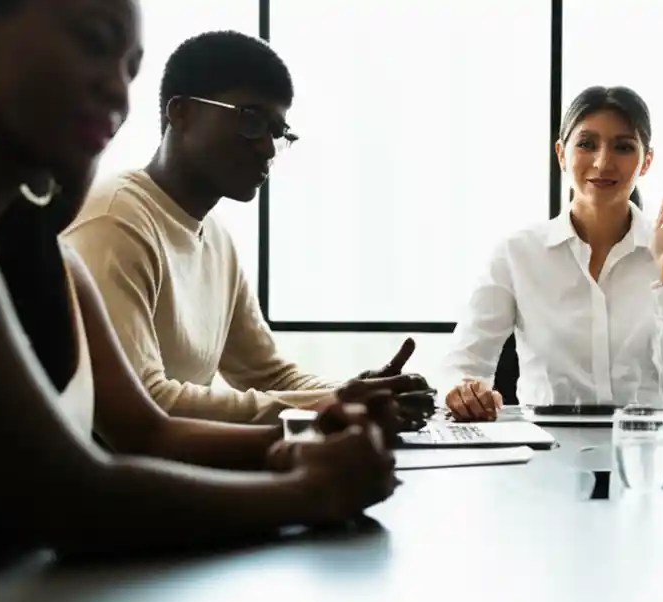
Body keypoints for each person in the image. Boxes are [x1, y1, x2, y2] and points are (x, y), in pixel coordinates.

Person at [0, 1, 425, 602]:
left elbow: (146, 428)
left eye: (130, 68)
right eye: (94, 45)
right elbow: (69, 495)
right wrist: (308, 489)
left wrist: (301, 442)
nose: (117, 92)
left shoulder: (42, 250)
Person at [61, 30, 426, 425]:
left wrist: (357, 391)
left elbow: (269, 373)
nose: (268, 148)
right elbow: (148, 403)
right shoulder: (115, 220)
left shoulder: (215, 238)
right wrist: (333, 403)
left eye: (277, 131)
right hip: (120, 481)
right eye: (251, 121)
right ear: (181, 112)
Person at [443, 85, 663, 420]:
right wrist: (465, 390)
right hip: (546, 453)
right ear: (561, 154)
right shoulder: (517, 253)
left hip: (647, 451)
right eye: (587, 144)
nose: (603, 162)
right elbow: (463, 366)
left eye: (623, 147)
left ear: (646, 162)